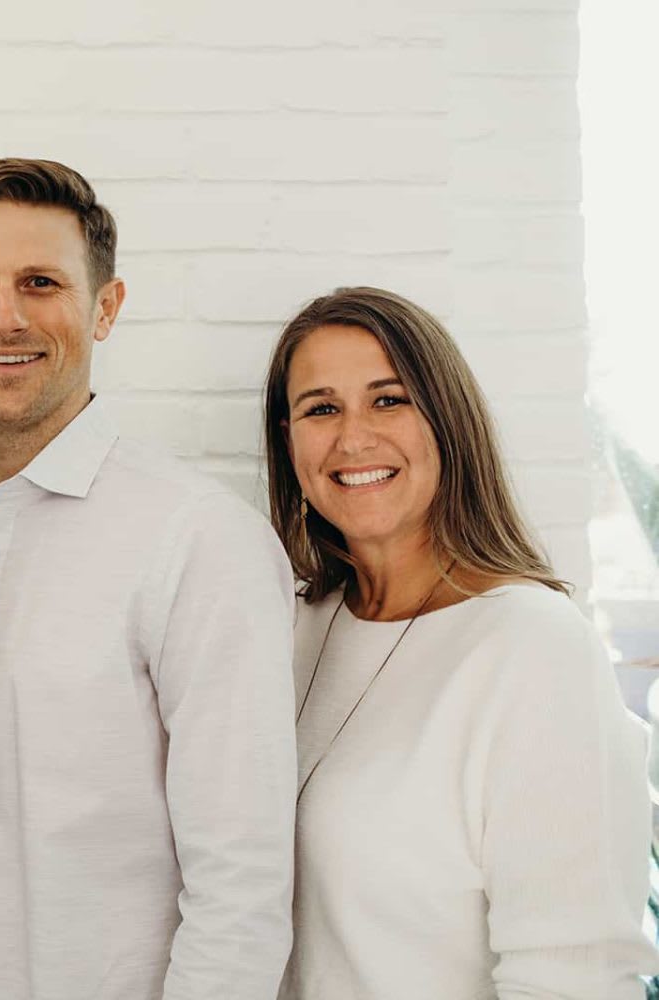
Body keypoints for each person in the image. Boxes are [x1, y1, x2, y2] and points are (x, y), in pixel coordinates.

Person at [0, 157, 297, 999]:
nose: (5, 316)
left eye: (41, 282)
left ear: (106, 308)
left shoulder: (199, 541)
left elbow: (241, 893)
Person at [263, 286, 659, 998]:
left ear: (447, 420)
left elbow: (576, 975)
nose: (353, 438)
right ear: (288, 440)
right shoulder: (287, 627)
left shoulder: (535, 648)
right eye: (321, 409)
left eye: (389, 400)